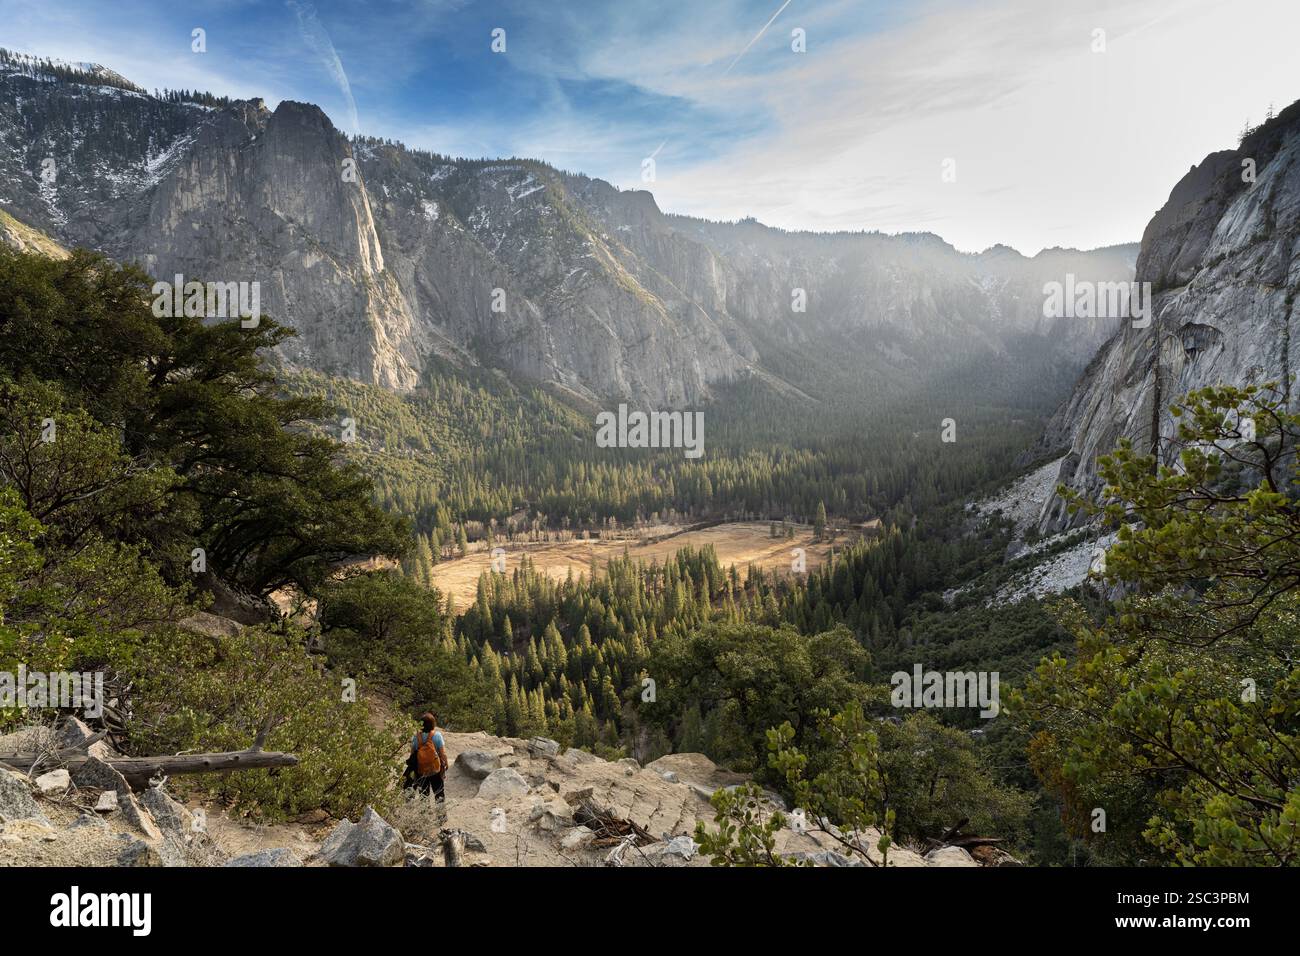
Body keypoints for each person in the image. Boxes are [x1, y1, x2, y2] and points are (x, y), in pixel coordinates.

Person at [405, 712, 448, 806]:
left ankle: (424, 814)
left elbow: (412, 753)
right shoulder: (437, 736)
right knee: (439, 792)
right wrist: (446, 765)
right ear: (433, 724)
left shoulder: (416, 737)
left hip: (421, 769)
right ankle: (441, 816)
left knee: (424, 793)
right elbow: (443, 754)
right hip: (435, 768)